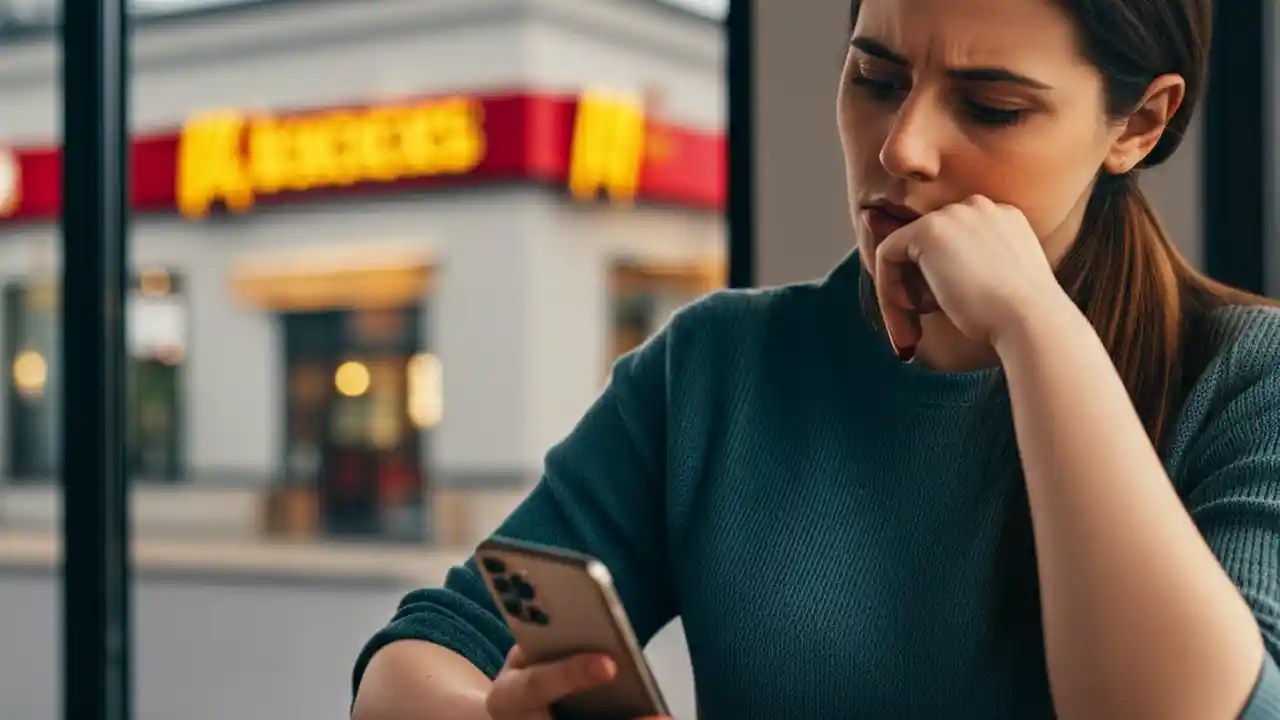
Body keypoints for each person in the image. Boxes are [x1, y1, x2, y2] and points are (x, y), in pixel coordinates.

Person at [350, 0, 1280, 717]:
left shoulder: (1248, 380)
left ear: (1140, 125)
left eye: (992, 108)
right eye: (875, 77)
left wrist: (1037, 332)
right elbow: (424, 649)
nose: (902, 146)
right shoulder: (717, 369)